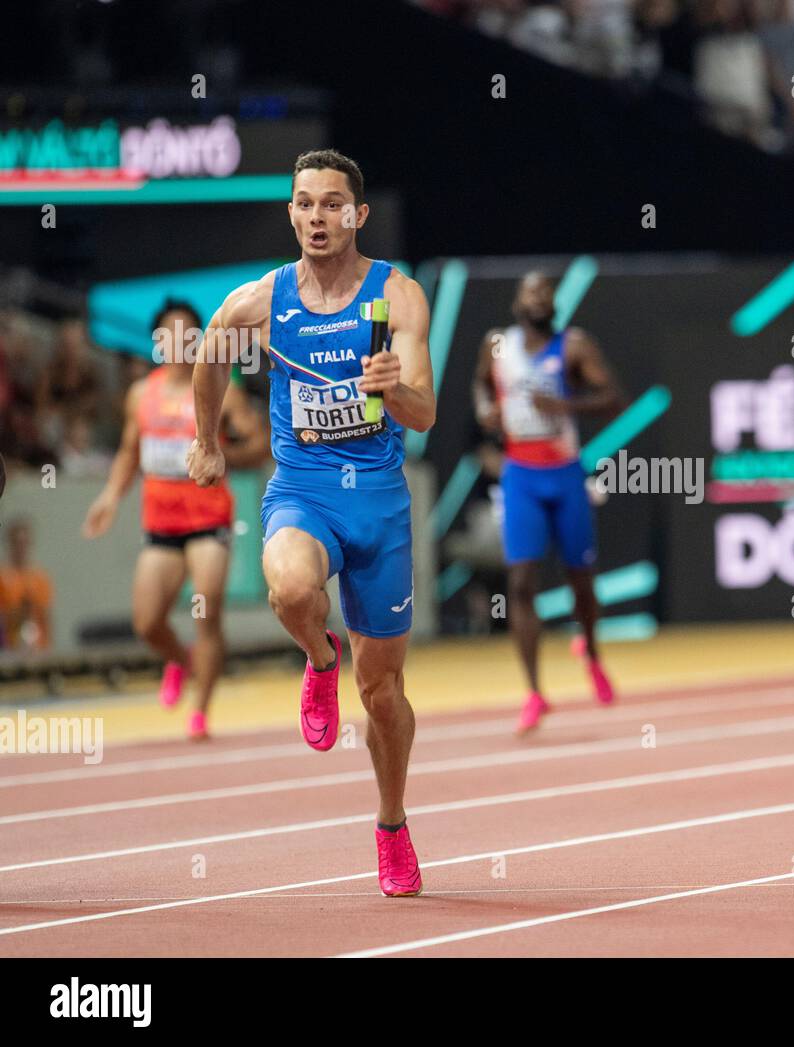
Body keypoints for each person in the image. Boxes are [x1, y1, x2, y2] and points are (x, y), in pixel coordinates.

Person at [188, 149, 436, 897]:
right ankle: (317, 658)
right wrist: (205, 442)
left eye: (333, 204)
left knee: (383, 692)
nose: (317, 217)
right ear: (290, 212)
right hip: (303, 489)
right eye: (304, 203)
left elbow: (425, 414)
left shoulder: (398, 295)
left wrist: (395, 390)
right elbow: (207, 355)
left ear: (357, 215)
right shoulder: (262, 301)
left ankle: (391, 822)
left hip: (380, 505)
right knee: (291, 591)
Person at [83, 300, 269, 740]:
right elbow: (131, 452)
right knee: (147, 622)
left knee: (207, 613)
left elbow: (261, 444)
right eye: (169, 334)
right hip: (162, 525)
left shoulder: (222, 390)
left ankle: (200, 713)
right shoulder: (140, 395)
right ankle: (180, 661)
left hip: (209, 520)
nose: (179, 343)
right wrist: (110, 496)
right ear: (156, 342)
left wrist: (224, 455)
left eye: (189, 334)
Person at [472, 273, 623, 734]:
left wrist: (566, 406)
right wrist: (484, 410)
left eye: (546, 293)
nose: (537, 299)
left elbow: (613, 397)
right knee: (521, 581)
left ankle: (591, 651)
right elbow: (480, 385)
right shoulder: (497, 345)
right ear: (517, 300)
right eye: (530, 291)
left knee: (580, 578)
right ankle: (535, 692)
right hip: (520, 474)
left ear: (553, 304)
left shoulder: (574, 346)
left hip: (564, 473)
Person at [0, 517, 52, 650]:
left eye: (24, 543)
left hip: (37, 646)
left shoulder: (40, 578)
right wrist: (18, 612)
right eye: (17, 543)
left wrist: (48, 647)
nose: (21, 548)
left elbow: (46, 617)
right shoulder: (3, 577)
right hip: (8, 646)